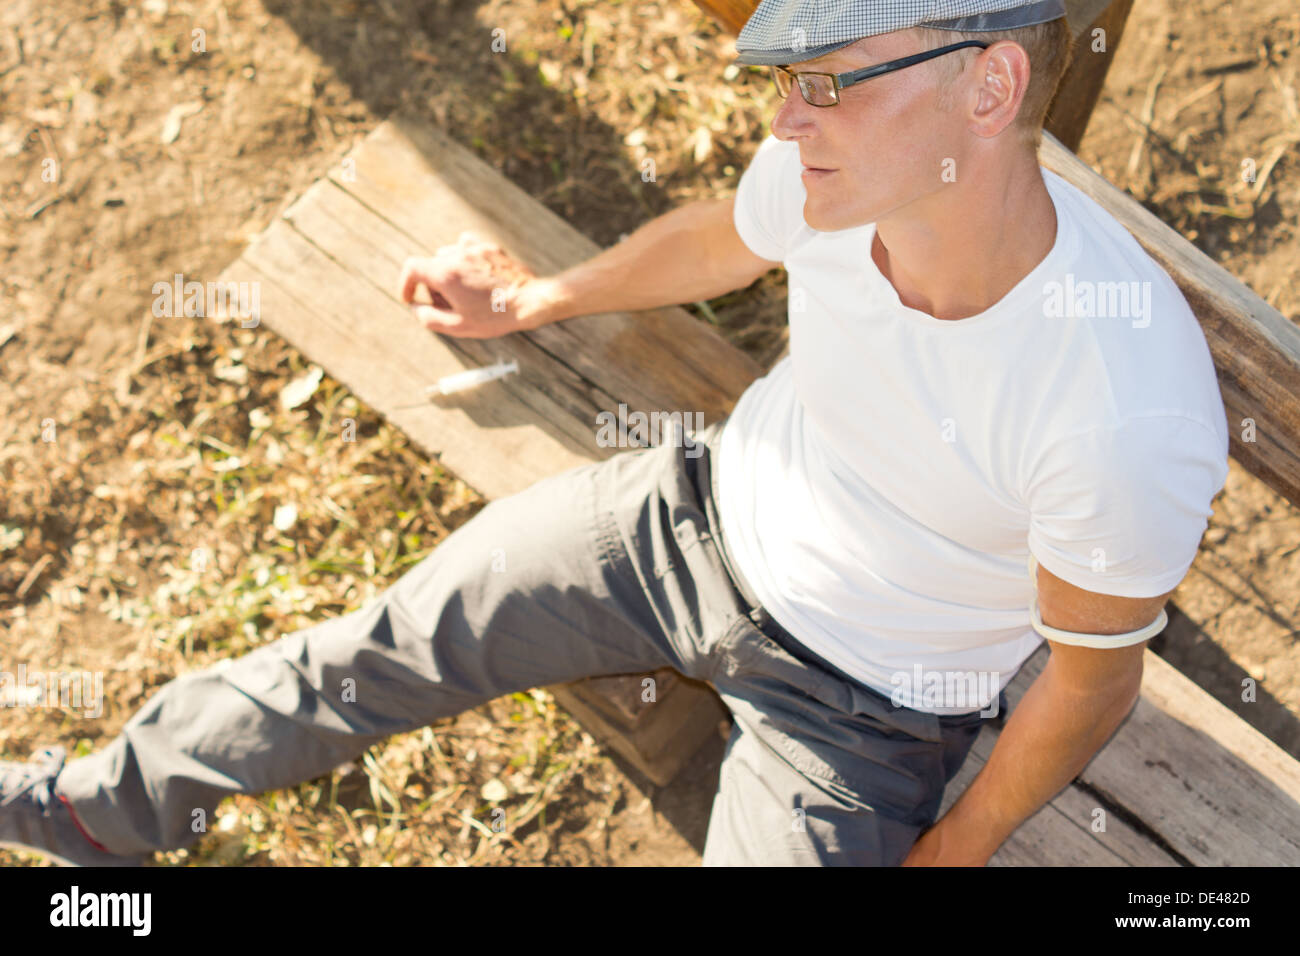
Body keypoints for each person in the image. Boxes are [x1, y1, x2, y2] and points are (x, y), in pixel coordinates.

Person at [1, 0, 1228, 867]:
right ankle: (103, 808)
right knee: (369, 650)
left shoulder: (1122, 408)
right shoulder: (841, 179)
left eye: (830, 78)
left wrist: (957, 844)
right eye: (789, 81)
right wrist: (539, 299)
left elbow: (1087, 680)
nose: (789, 123)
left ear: (991, 85)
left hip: (863, 712)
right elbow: (719, 237)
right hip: (678, 523)